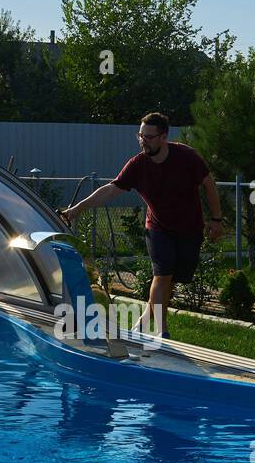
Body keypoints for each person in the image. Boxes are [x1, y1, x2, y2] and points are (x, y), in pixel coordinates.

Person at [62, 112, 222, 337]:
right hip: (158, 228)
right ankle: (161, 332)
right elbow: (110, 190)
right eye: (140, 135)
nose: (142, 141)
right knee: (162, 274)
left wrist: (216, 219)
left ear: (163, 137)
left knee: (173, 279)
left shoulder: (187, 157)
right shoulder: (137, 165)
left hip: (190, 229)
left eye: (148, 136)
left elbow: (209, 185)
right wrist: (76, 210)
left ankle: (143, 321)